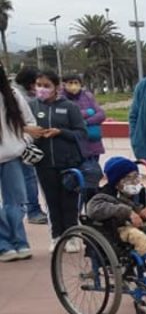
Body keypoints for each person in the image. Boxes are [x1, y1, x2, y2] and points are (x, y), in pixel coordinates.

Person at [27, 70, 86, 251]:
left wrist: (60, 132)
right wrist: (33, 133)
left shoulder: (70, 107)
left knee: (69, 202)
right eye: (39, 85)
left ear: (56, 87)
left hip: (68, 162)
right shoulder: (31, 106)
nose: (42, 89)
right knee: (52, 202)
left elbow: (81, 133)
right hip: (44, 163)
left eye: (46, 86)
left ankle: (72, 237)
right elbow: (23, 130)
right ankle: (56, 237)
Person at [0, 62, 35, 261]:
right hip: (12, 154)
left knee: (15, 202)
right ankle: (5, 244)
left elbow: (30, 123)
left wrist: (22, 143)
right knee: (11, 203)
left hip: (12, 156)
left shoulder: (12, 95)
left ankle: (20, 242)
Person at [61, 73, 106, 197]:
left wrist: (84, 122)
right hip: (75, 147)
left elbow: (101, 114)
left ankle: (90, 199)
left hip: (93, 144)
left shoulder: (88, 96)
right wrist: (89, 112)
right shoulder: (61, 99)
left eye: (76, 83)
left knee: (94, 175)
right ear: (64, 84)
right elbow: (68, 117)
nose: (73, 86)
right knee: (76, 178)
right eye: (70, 83)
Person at [12, 67, 47, 225]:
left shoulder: (22, 94)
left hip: (22, 142)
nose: (37, 87)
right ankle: (33, 211)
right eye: (36, 83)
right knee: (28, 178)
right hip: (18, 144)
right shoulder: (19, 96)